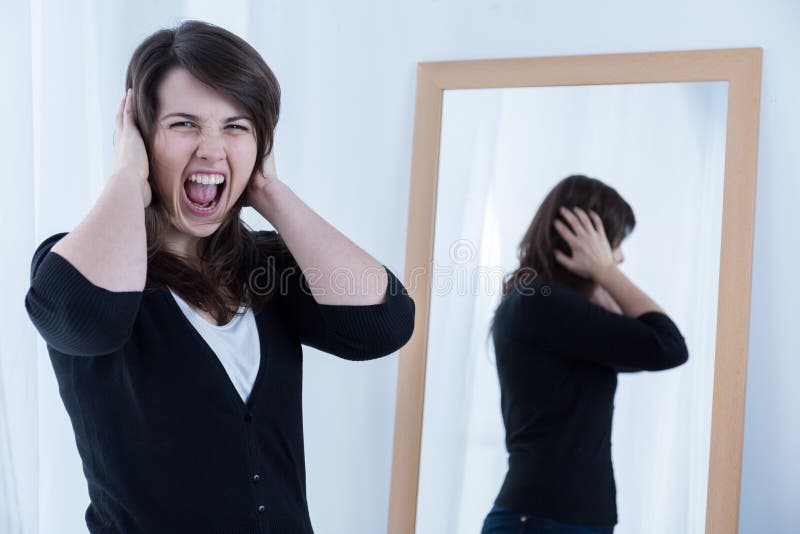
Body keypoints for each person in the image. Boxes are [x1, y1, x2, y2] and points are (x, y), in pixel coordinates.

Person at [24, 20, 415, 533]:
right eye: (184, 124)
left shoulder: (266, 268)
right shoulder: (77, 268)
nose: (212, 149)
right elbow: (90, 317)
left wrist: (270, 193)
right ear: (139, 137)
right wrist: (125, 178)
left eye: (237, 127)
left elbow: (384, 323)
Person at [481, 175, 689, 534]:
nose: (620, 256)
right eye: (615, 243)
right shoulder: (541, 303)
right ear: (584, 240)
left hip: (557, 518)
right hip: (546, 520)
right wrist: (606, 274)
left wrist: (603, 281)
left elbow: (646, 347)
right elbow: (668, 345)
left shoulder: (543, 306)